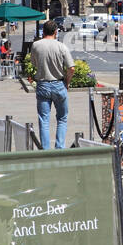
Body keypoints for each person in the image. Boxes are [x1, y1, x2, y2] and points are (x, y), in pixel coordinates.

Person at [31, 20, 75, 150]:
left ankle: (45, 150)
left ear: (43, 32)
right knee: (62, 118)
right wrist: (67, 82)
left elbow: (34, 64)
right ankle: (59, 147)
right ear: (56, 32)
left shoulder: (36, 45)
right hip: (58, 84)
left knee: (44, 120)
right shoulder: (61, 46)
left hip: (43, 84)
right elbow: (71, 68)